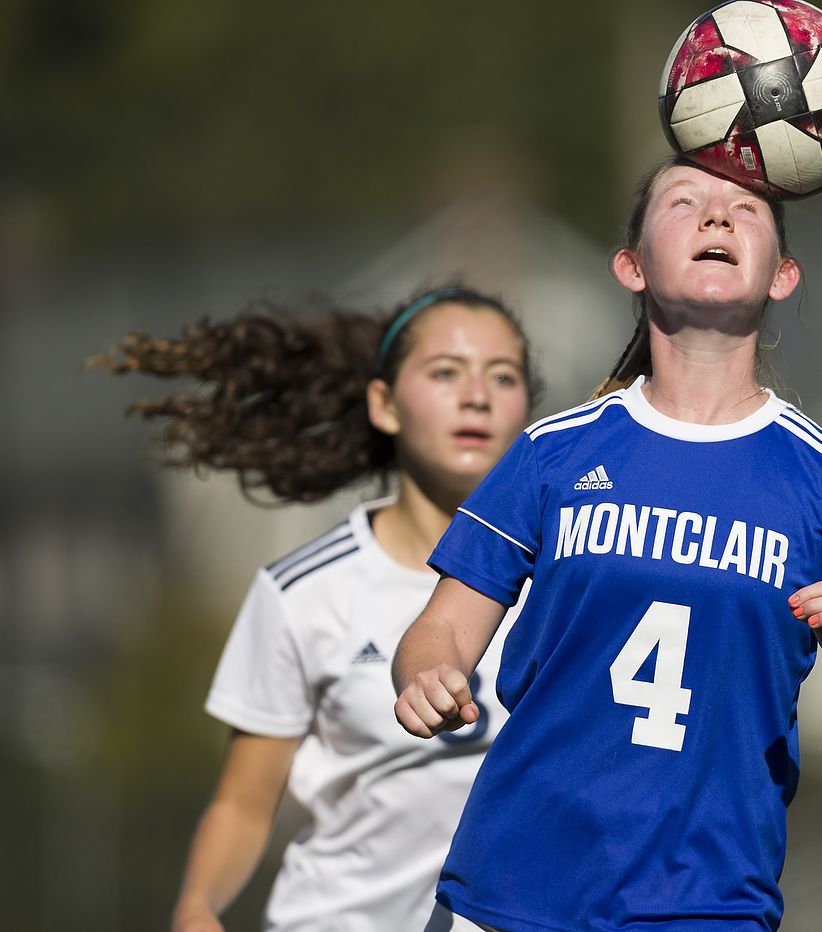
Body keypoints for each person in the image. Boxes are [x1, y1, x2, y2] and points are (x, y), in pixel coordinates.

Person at [391, 155, 822, 932]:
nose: (718, 217)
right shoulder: (552, 453)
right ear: (630, 267)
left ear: (783, 276)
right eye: (685, 202)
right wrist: (429, 675)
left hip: (707, 905)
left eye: (747, 209)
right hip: (511, 894)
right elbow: (443, 628)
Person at [97, 286, 541, 932]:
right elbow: (245, 805)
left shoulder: (571, 578)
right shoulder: (304, 591)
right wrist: (196, 907)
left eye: (503, 376)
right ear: (384, 405)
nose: (477, 395)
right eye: (445, 372)